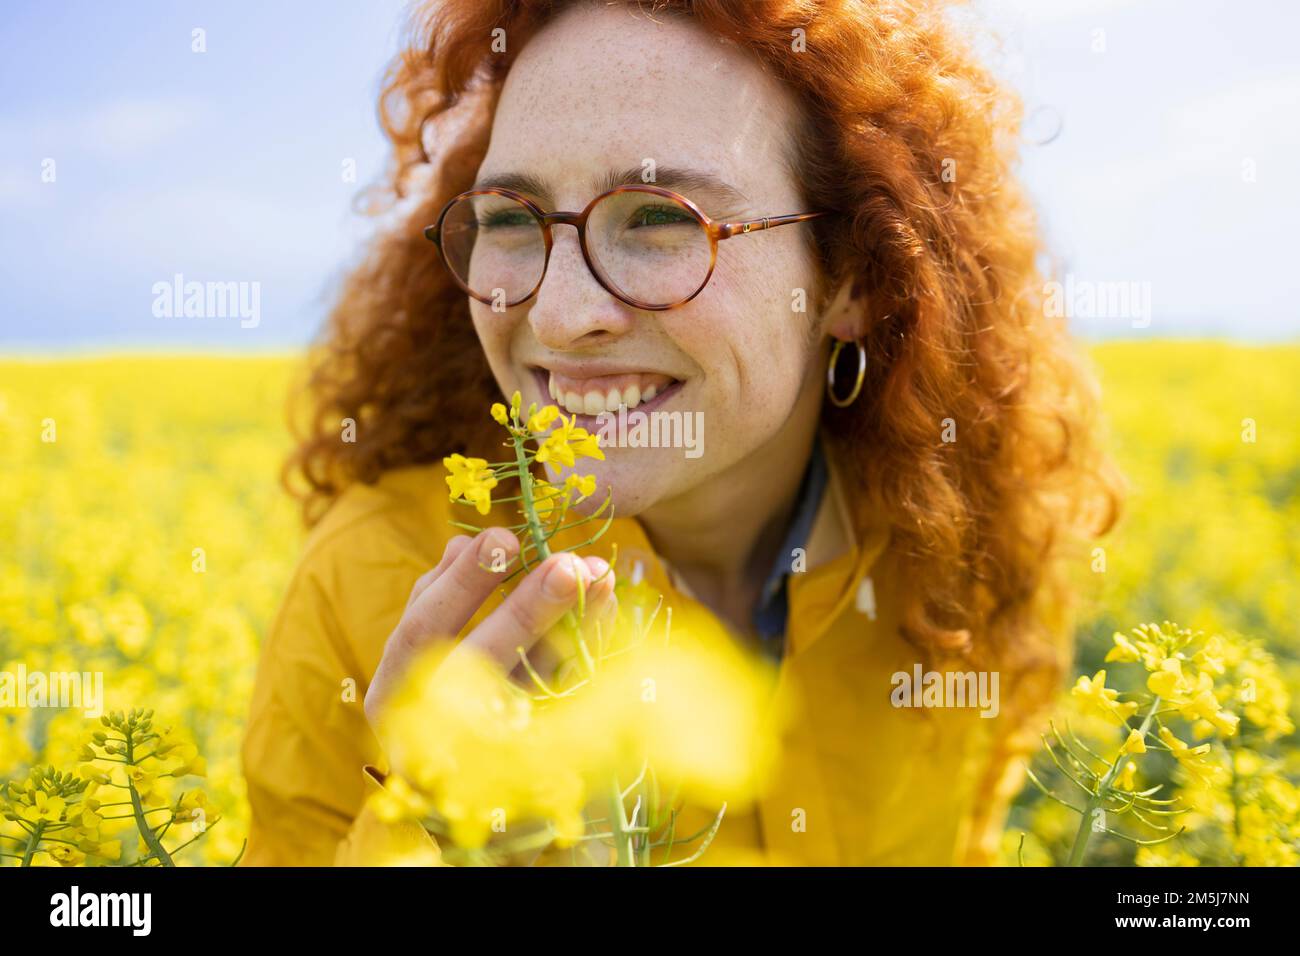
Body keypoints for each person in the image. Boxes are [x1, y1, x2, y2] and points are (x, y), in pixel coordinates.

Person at [241, 0, 1121, 866]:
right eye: (512, 217)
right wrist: (447, 832)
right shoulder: (368, 580)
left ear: (855, 276)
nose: (558, 314)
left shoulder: (964, 563)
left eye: (661, 218)